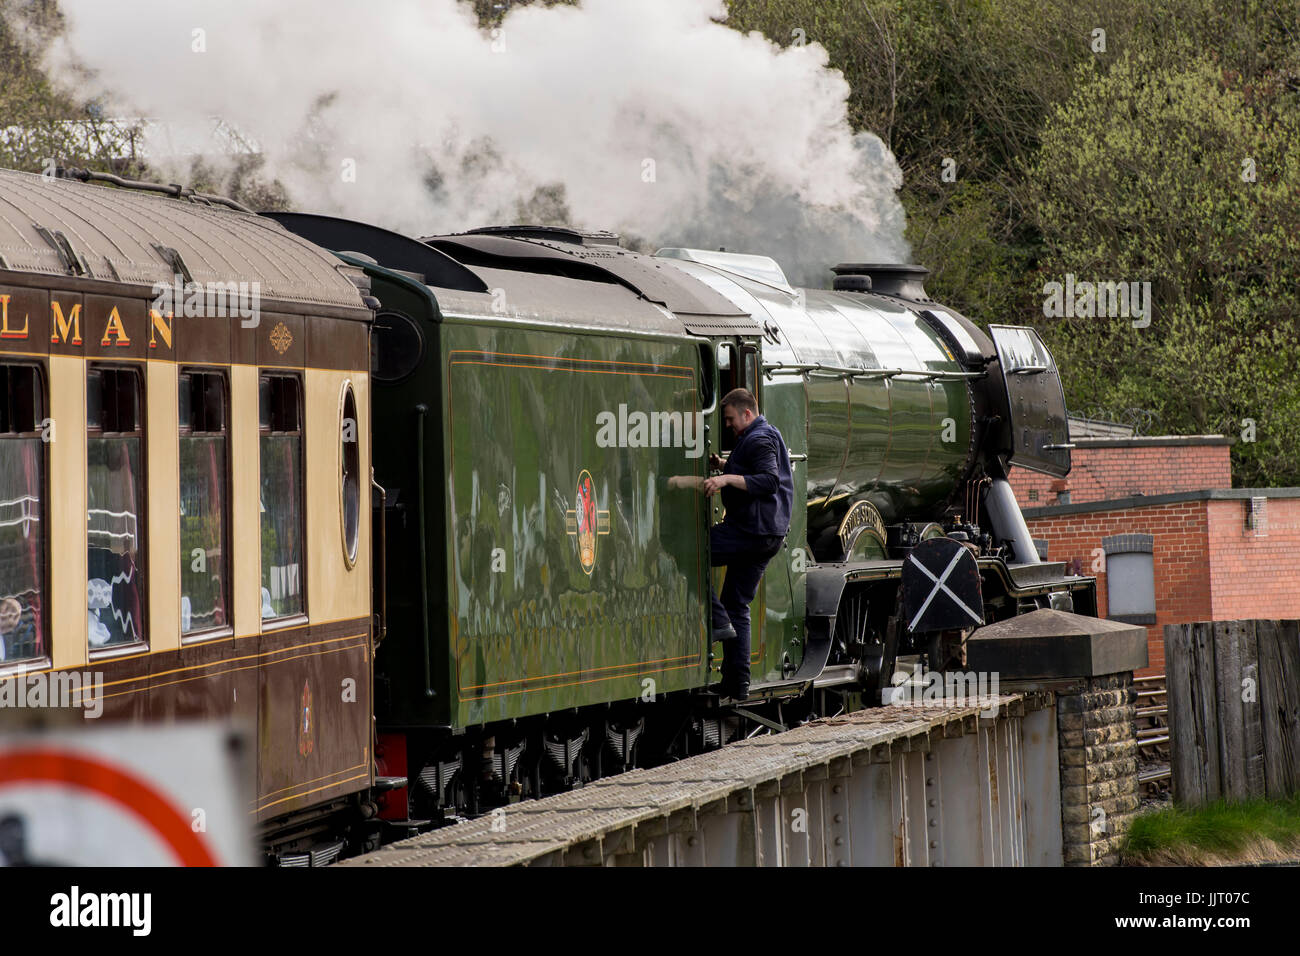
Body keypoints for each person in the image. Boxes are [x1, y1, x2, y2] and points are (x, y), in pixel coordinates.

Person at [702, 388, 794, 702]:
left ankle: (718, 621)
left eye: (729, 420)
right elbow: (753, 466)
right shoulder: (763, 435)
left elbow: (767, 479)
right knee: (736, 602)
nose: (727, 426)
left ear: (746, 413)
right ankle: (737, 684)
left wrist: (726, 480)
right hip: (767, 535)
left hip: (751, 531)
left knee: (692, 554)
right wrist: (725, 464)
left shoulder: (758, 438)